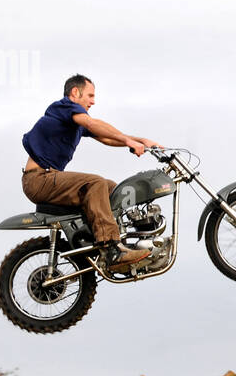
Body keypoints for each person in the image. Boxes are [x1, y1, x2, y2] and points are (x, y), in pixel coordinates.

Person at [21, 74, 161, 273]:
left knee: (113, 188)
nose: (93, 101)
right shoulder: (63, 107)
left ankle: (125, 241)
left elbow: (107, 138)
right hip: (38, 179)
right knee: (95, 183)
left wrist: (142, 140)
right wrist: (130, 142)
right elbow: (93, 124)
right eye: (90, 95)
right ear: (75, 92)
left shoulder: (74, 120)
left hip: (48, 178)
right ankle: (111, 248)